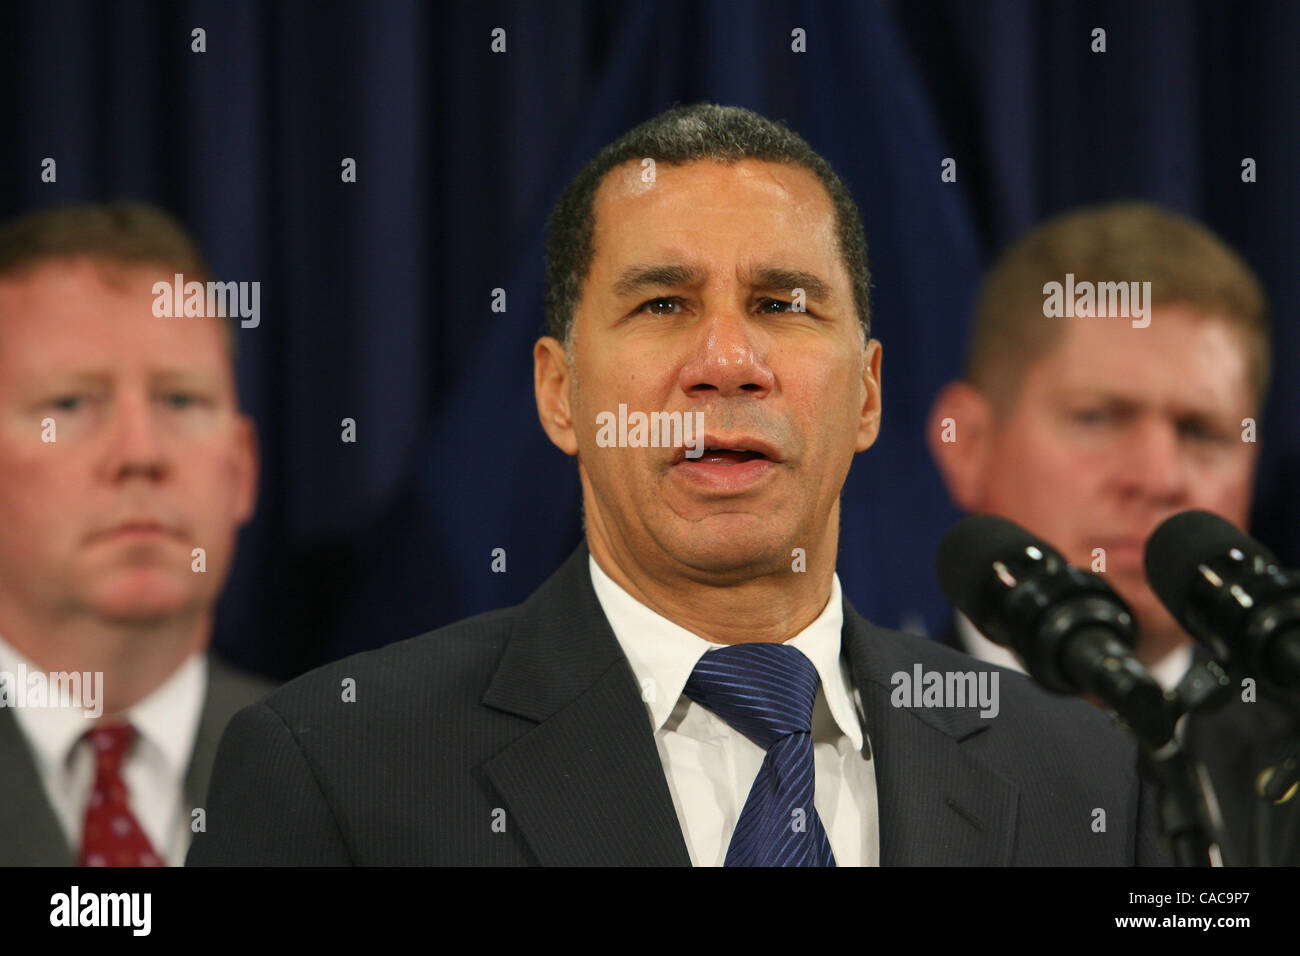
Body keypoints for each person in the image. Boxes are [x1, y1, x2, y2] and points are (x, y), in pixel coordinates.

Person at [189, 104, 1168, 866]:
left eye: (782, 303)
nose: (729, 360)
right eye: (662, 302)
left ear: (866, 395)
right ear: (559, 391)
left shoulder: (1079, 774)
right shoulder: (338, 765)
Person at [927, 201, 1298, 865]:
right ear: (969, 445)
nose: (1158, 478)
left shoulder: (1287, 758)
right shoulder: (853, 737)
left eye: (1202, 432)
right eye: (1098, 418)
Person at [0, 201, 272, 866]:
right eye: (70, 403)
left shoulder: (354, 782)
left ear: (240, 470)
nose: (141, 452)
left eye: (181, 400)